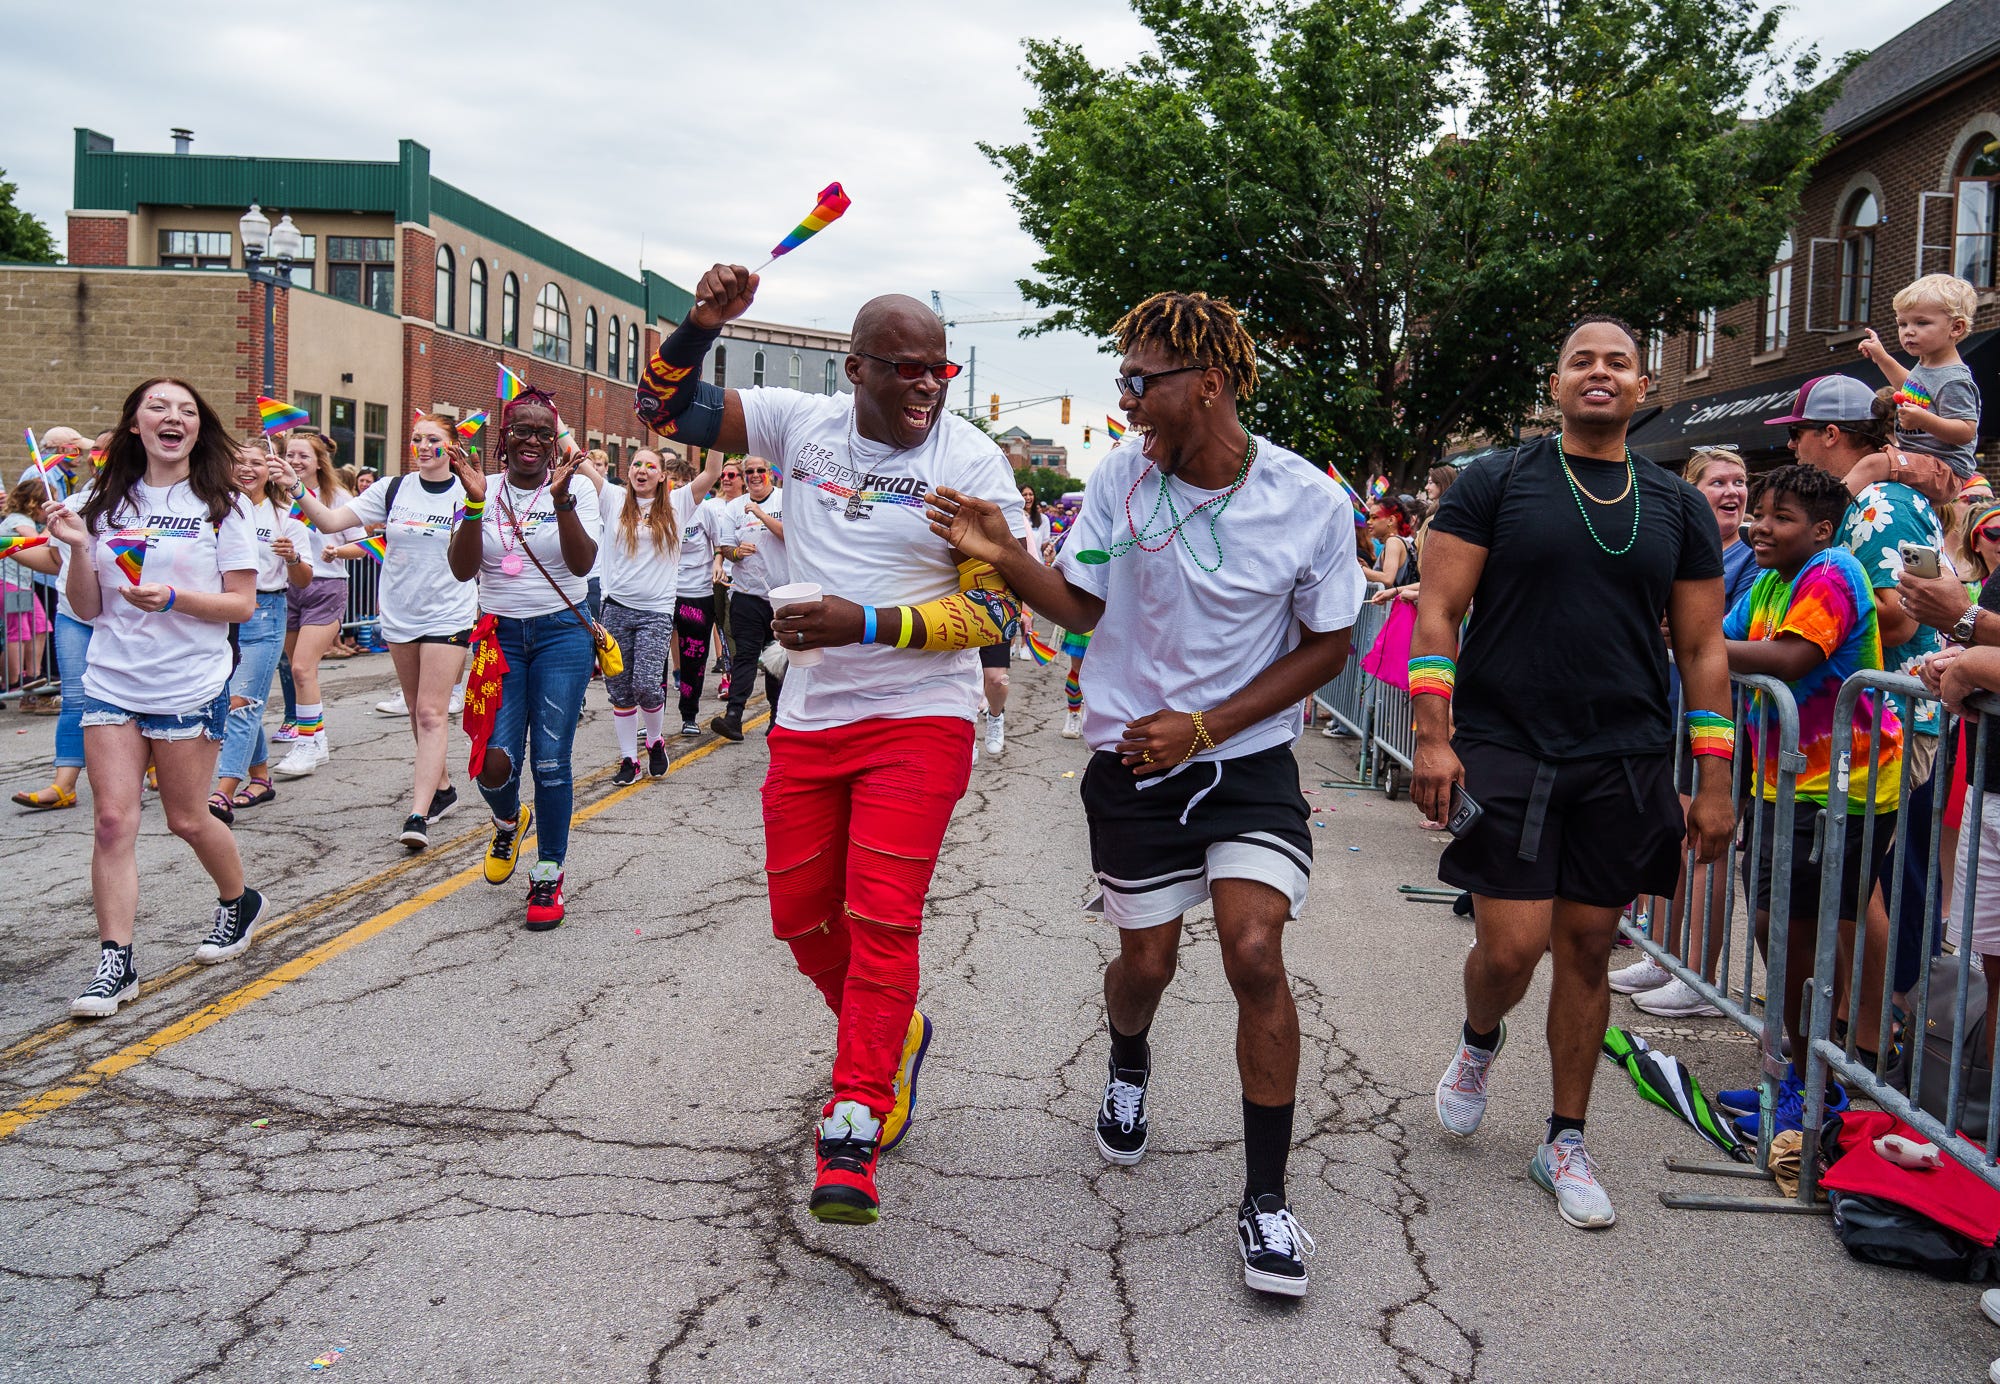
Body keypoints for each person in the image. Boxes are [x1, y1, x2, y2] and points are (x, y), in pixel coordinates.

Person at [930, 289, 1363, 1296]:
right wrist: (1002, 554)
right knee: (1147, 964)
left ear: (1206, 382)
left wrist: (1208, 725)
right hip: (1131, 761)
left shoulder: (1304, 498)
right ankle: (1128, 1061)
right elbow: (1079, 602)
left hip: (1243, 761)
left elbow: (1332, 642)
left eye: (1140, 381)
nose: (1125, 402)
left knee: (1255, 951)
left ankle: (1265, 1202)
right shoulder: (1123, 478)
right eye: (1121, 380)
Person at [635, 263, 1027, 1226]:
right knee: (803, 919)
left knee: (883, 916)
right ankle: (897, 1035)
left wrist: (865, 624)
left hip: (921, 715)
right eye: (904, 369)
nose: (928, 386)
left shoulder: (970, 462)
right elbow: (664, 410)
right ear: (854, 370)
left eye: (940, 369)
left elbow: (994, 607)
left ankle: (854, 1115)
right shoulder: (796, 424)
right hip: (811, 717)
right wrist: (698, 325)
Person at [1411, 316, 1734, 1231]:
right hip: (1509, 745)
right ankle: (1480, 1040)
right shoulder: (1496, 479)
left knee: (1588, 948)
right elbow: (1438, 613)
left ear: (1642, 386)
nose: (1600, 373)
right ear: (1555, 385)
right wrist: (1434, 738)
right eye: (1582, 361)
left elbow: (1704, 649)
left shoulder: (1678, 506)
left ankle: (1565, 1141)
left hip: (1624, 756)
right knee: (1510, 950)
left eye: (1618, 363)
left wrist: (1714, 778)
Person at [44, 378, 263, 1018]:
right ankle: (116, 962)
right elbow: (85, 607)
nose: (174, 418)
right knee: (112, 820)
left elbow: (242, 605)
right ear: (135, 426)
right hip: (111, 679)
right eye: (158, 408)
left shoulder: (224, 505)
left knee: (188, 819)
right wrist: (81, 549)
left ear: (199, 428)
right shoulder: (99, 500)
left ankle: (239, 901)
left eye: (187, 411)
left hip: (189, 683)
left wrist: (173, 597)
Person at [1718, 463, 1901, 1136]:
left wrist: (1692, 644)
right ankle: (1794, 1073)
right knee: (1773, 920)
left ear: (1821, 529)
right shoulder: (1770, 580)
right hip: (1783, 779)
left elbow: (1789, 660)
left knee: (1799, 927)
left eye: (1781, 517)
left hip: (1842, 788)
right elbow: (1728, 634)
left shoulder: (1832, 573)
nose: (1761, 526)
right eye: (1760, 514)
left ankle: (1817, 1086)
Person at [1767, 378, 1943, 1072]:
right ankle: (1847, 1029)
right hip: (1869, 721)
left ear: (1832, 436)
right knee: (1849, 882)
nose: (1790, 443)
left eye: (1798, 431)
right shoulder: (1867, 496)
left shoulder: (1876, 502)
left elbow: (1904, 614)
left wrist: (1828, 599)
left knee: (1857, 885)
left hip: (1893, 718)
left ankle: (1868, 1039)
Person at [293, 414, 483, 849]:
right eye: (416, 438)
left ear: (452, 446)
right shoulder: (392, 489)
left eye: (433, 439)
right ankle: (444, 789)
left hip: (448, 613)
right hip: (399, 614)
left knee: (432, 713)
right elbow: (328, 520)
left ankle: (417, 814)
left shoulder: (469, 491)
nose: (421, 445)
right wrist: (295, 486)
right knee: (419, 710)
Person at [1612, 445, 1757, 1016]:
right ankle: (1663, 954)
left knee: (1706, 841)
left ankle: (1699, 974)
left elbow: (1716, 636)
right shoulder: (1675, 548)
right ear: (1690, 494)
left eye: (1739, 482)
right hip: (1667, 713)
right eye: (1718, 482)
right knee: (1669, 831)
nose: (1732, 492)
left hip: (1720, 718)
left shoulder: (1751, 559)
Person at [447, 386, 598, 929]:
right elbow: (464, 570)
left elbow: (582, 567)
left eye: (543, 432)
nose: (531, 441)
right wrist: (474, 503)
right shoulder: (478, 489)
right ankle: (509, 821)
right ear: (503, 440)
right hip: (500, 638)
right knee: (494, 760)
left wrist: (562, 502)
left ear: (554, 443)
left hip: (563, 636)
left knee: (552, 760)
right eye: (521, 431)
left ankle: (549, 873)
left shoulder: (578, 488)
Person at [594, 446, 724, 782]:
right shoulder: (612, 498)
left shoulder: (678, 503)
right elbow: (577, 457)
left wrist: (719, 433)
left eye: (650, 466)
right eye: (636, 463)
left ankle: (654, 740)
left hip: (656, 611)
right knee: (619, 689)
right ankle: (628, 760)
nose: (642, 470)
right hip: (615, 610)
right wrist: (557, 421)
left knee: (648, 685)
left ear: (662, 475)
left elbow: (710, 474)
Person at [209, 443, 311, 823]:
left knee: (241, 704)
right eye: (238, 462)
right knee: (230, 700)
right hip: (217, 614)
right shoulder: (212, 510)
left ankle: (223, 790)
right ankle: (261, 777)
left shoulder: (287, 520)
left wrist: (293, 558)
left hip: (265, 613)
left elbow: (303, 580)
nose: (247, 469)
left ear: (269, 471)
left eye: (256, 462)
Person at [272, 432, 360, 777]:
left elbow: (363, 544)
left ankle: (307, 744)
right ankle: (316, 738)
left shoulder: (335, 496)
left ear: (318, 461)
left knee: (301, 668)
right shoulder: (275, 496)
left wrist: (337, 551)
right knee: (298, 670)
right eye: (290, 454)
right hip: (287, 587)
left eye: (303, 456)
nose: (295, 461)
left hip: (326, 587)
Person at [1858, 273, 1983, 480]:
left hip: (1945, 468)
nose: (1909, 331)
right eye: (1903, 324)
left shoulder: (1953, 378)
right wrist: (1880, 357)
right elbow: (1910, 388)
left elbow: (1966, 432)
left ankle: (1837, 506)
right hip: (1921, 460)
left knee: (1874, 463)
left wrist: (1924, 420)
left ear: (1956, 327)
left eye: (1921, 323)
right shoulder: (1927, 365)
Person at [709, 457, 786, 741]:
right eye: (749, 472)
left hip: (781, 597)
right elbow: (726, 547)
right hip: (746, 594)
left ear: (770, 474)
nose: (754, 475)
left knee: (777, 661)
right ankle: (733, 717)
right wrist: (738, 553)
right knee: (746, 657)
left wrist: (761, 513)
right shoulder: (733, 508)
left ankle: (777, 719)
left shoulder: (784, 500)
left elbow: (789, 536)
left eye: (760, 471)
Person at [671, 451, 728, 737]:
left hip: (697, 593)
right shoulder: (658, 509)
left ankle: (689, 715)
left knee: (694, 657)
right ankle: (648, 719)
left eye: (683, 482)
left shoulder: (704, 510)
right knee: (653, 660)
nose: (678, 487)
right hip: (662, 594)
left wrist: (718, 563)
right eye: (672, 481)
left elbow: (720, 546)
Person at [2, 478, 53, 703]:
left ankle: (34, 674)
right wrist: (54, 525)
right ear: (35, 503)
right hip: (7, 580)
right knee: (18, 630)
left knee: (40, 625)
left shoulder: (27, 520)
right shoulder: (16, 520)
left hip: (22, 582)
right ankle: (14, 680)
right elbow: (38, 543)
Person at [709, 460, 744, 691]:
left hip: (744, 578)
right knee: (722, 626)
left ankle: (738, 676)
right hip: (718, 576)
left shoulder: (748, 504)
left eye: (732, 474)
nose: (726, 478)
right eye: (723, 474)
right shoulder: (712, 506)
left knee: (737, 628)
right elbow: (713, 541)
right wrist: (716, 560)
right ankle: (727, 678)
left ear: (742, 479)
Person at [1359, 497, 1414, 587]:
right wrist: (1368, 569)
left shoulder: (1393, 542)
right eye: (1369, 518)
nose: (1369, 522)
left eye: (1374, 517)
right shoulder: (1399, 541)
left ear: (1391, 520)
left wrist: (1359, 569)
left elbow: (1388, 579)